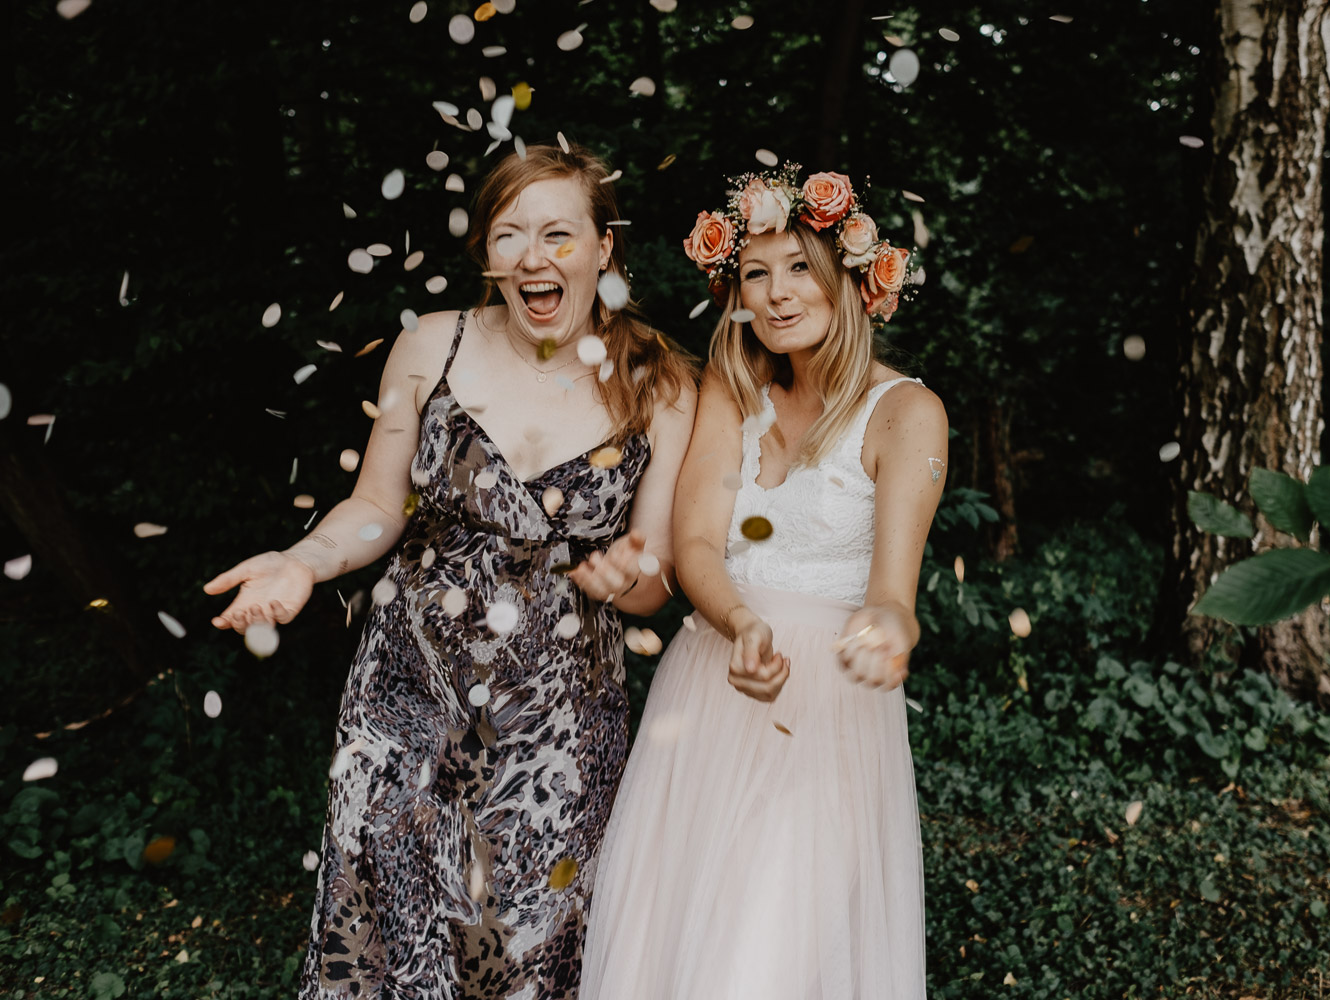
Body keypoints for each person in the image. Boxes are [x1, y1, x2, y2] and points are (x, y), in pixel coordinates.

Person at [203, 143, 697, 999]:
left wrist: (631, 575)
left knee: (527, 953)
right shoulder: (432, 343)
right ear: (486, 251)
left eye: (557, 234)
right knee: (387, 936)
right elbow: (376, 505)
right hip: (407, 697)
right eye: (509, 235)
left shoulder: (661, 381)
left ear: (604, 247)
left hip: (558, 724)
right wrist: (301, 561)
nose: (533, 258)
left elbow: (655, 581)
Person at [579, 166, 945, 999]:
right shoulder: (731, 390)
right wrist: (740, 622)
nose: (777, 293)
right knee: (673, 944)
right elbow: (697, 543)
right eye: (756, 273)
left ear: (850, 276)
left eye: (800, 268)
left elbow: (893, 595)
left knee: (761, 959)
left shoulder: (907, 413)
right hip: (709, 685)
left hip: (824, 718)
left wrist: (889, 633)